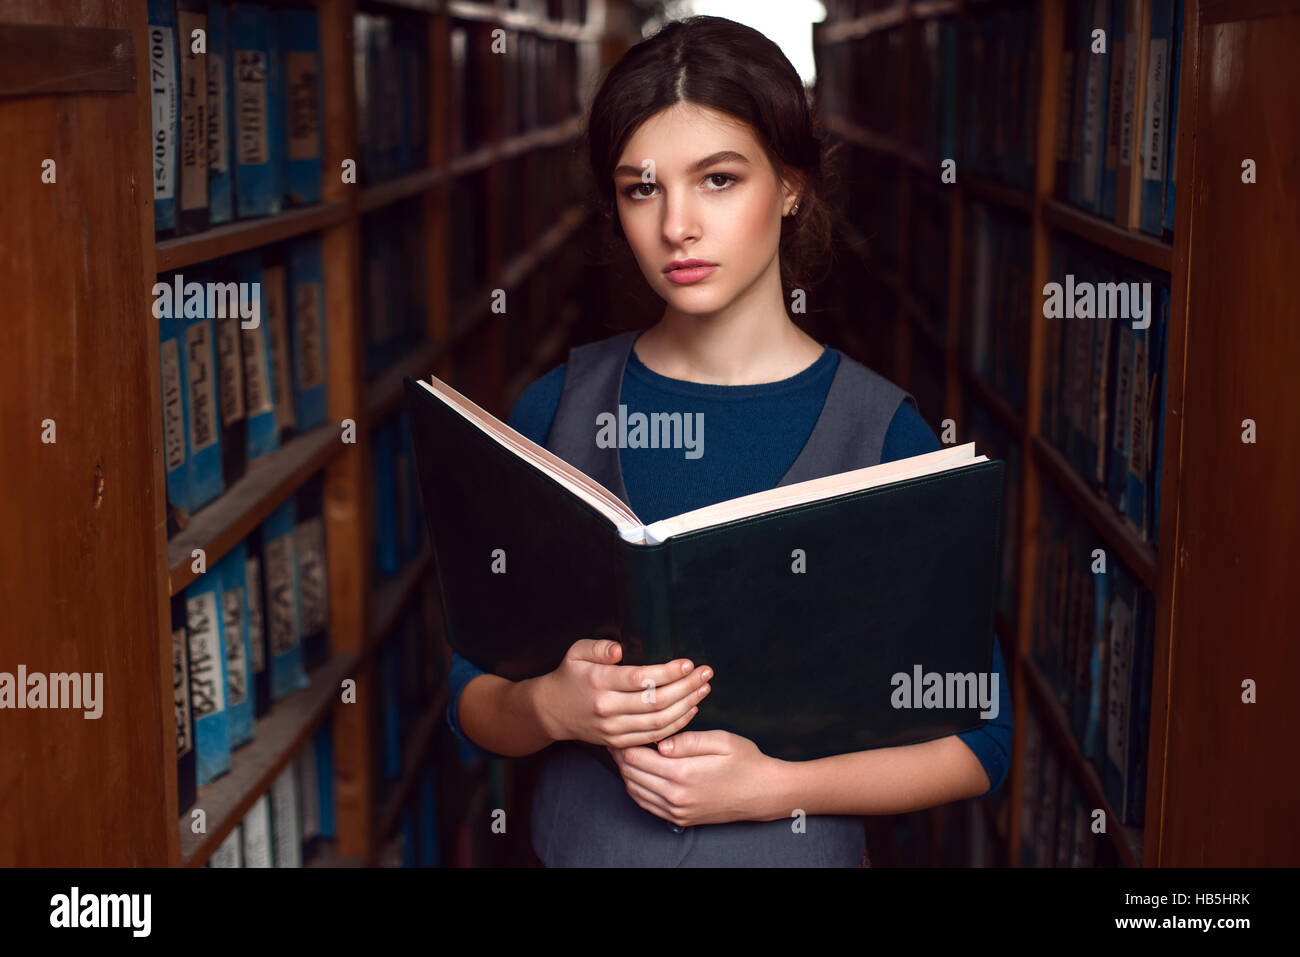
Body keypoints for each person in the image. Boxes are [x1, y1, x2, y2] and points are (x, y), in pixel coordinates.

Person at [445, 15, 1012, 867]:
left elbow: (984, 742)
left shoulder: (883, 435)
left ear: (790, 186)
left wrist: (776, 787)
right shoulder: (557, 409)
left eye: (717, 179)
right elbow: (467, 693)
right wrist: (550, 710)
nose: (677, 225)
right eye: (643, 188)